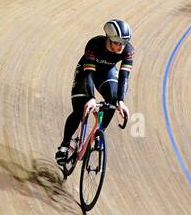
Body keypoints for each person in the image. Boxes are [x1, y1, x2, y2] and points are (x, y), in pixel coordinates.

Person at [55, 20, 133, 168]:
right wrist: (91, 98)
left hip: (106, 74)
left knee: (113, 101)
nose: (120, 46)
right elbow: (89, 73)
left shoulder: (128, 50)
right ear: (108, 38)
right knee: (79, 110)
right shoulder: (94, 44)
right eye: (116, 42)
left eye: (124, 42)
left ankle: (98, 133)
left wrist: (121, 101)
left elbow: (124, 76)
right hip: (86, 73)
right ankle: (64, 146)